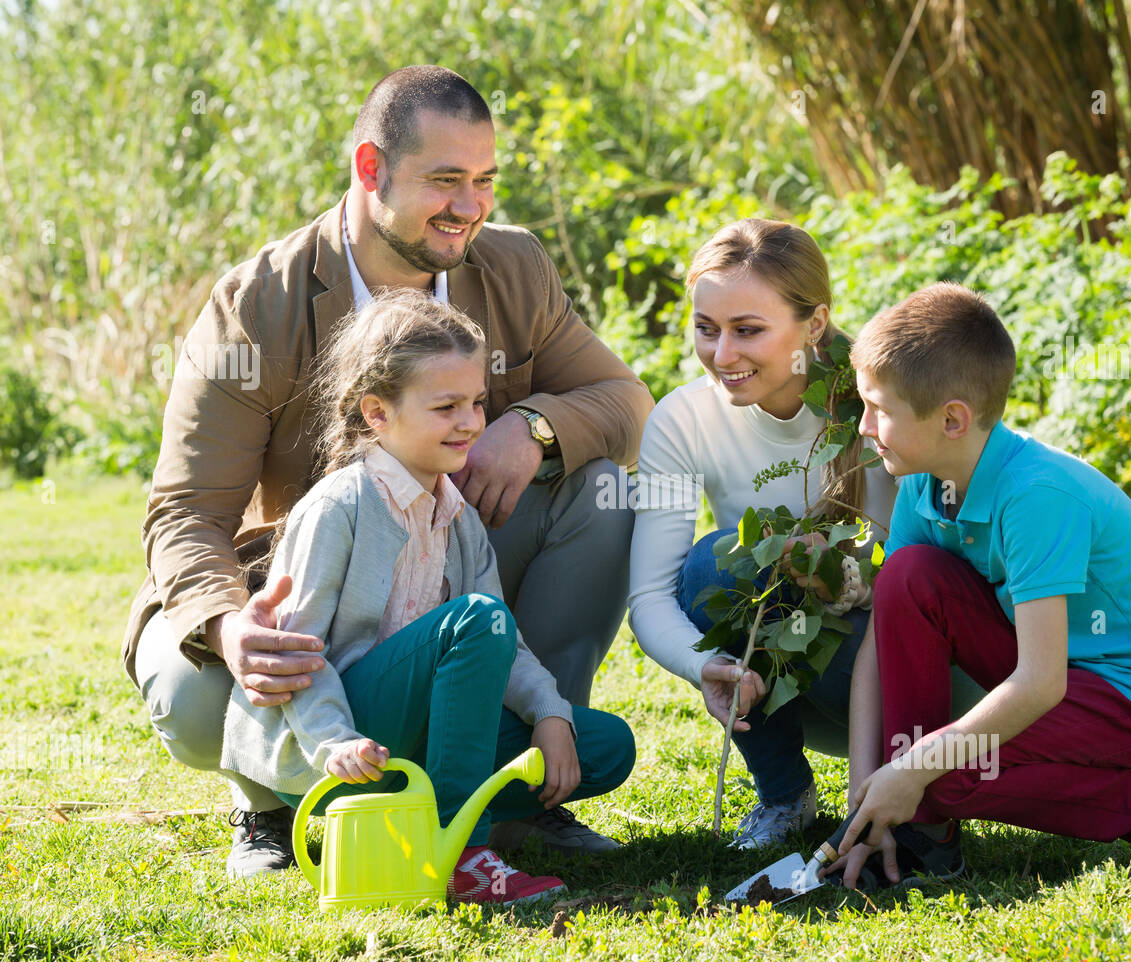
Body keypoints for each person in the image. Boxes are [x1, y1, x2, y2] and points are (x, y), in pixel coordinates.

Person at [122, 66, 653, 877]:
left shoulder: (513, 266)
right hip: (305, 594)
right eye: (445, 181)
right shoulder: (254, 303)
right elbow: (187, 510)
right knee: (195, 695)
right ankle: (268, 808)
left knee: (605, 494)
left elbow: (622, 398)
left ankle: (523, 782)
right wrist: (231, 629)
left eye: (483, 182)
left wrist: (532, 427)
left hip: (448, 563)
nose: (469, 207)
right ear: (370, 170)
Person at [222, 291, 633, 904]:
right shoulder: (339, 508)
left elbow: (508, 644)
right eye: (446, 407)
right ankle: (465, 854)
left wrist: (549, 712)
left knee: (602, 747)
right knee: (478, 619)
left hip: (413, 747)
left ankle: (431, 812)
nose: (470, 423)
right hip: (335, 750)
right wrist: (336, 743)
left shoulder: (457, 514)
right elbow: (295, 659)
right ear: (377, 413)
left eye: (476, 403)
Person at [826, 282, 1131, 891]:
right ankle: (922, 834)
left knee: (947, 771)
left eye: (880, 410)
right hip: (1056, 667)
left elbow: (1041, 681)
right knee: (907, 575)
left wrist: (914, 769)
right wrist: (864, 795)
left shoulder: (1037, 496)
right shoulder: (923, 484)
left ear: (952, 418)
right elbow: (881, 646)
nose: (866, 426)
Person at [630, 219, 904, 849]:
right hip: (777, 676)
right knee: (711, 567)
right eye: (706, 330)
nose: (722, 356)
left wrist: (850, 580)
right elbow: (649, 596)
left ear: (814, 325)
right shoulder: (682, 418)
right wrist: (708, 667)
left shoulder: (881, 404)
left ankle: (906, 782)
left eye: (747, 331)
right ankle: (785, 797)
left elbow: (931, 565)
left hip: (896, 664)